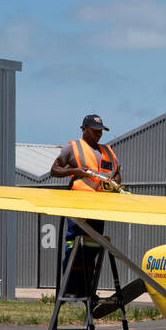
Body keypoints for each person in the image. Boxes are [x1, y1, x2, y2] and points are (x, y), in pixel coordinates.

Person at [50, 113, 122, 301]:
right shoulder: (73, 148)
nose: (98, 135)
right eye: (94, 131)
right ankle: (70, 289)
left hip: (99, 208)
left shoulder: (108, 151)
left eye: (100, 131)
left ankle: (87, 291)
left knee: (92, 249)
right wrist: (74, 171)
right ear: (84, 129)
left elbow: (117, 174)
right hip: (78, 207)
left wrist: (115, 181)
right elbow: (54, 170)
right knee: (75, 247)